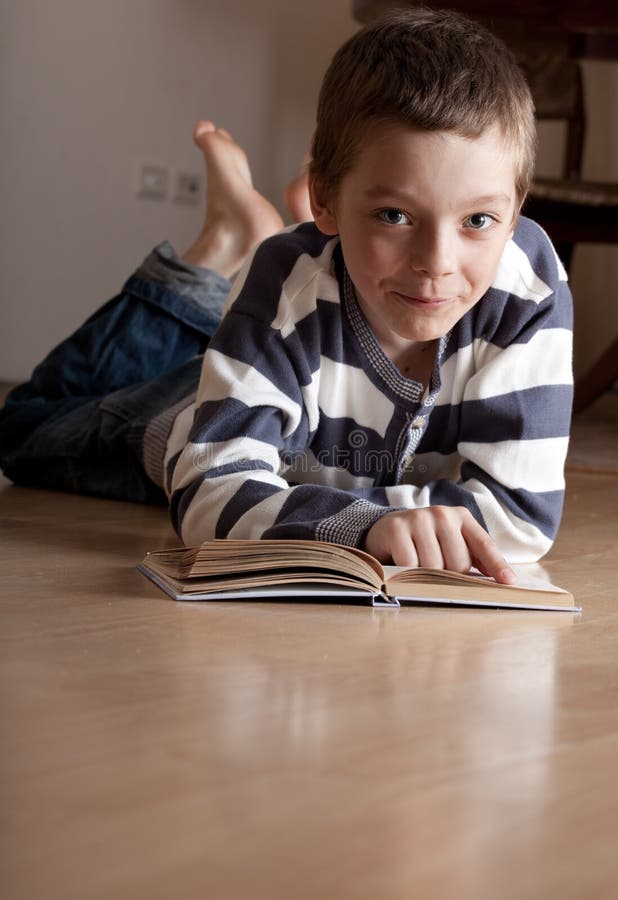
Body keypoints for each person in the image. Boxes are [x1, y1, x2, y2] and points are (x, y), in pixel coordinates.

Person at [0, 9, 573, 584]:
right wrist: (370, 529)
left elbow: (520, 516)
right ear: (327, 198)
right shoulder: (287, 285)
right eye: (394, 215)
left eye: (478, 219)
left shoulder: (528, 288)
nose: (438, 264)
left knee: (289, 304)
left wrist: (362, 519)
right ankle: (211, 262)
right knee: (23, 428)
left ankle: (271, 256)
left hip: (287, 386)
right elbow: (209, 488)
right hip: (202, 411)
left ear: (516, 209)